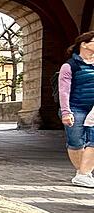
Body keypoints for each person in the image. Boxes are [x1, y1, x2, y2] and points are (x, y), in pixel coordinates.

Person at [59, 31, 94, 188]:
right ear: (84, 44)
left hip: (93, 109)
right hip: (76, 108)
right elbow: (64, 91)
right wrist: (66, 112)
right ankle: (83, 174)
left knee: (92, 141)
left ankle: (84, 174)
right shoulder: (69, 66)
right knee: (76, 142)